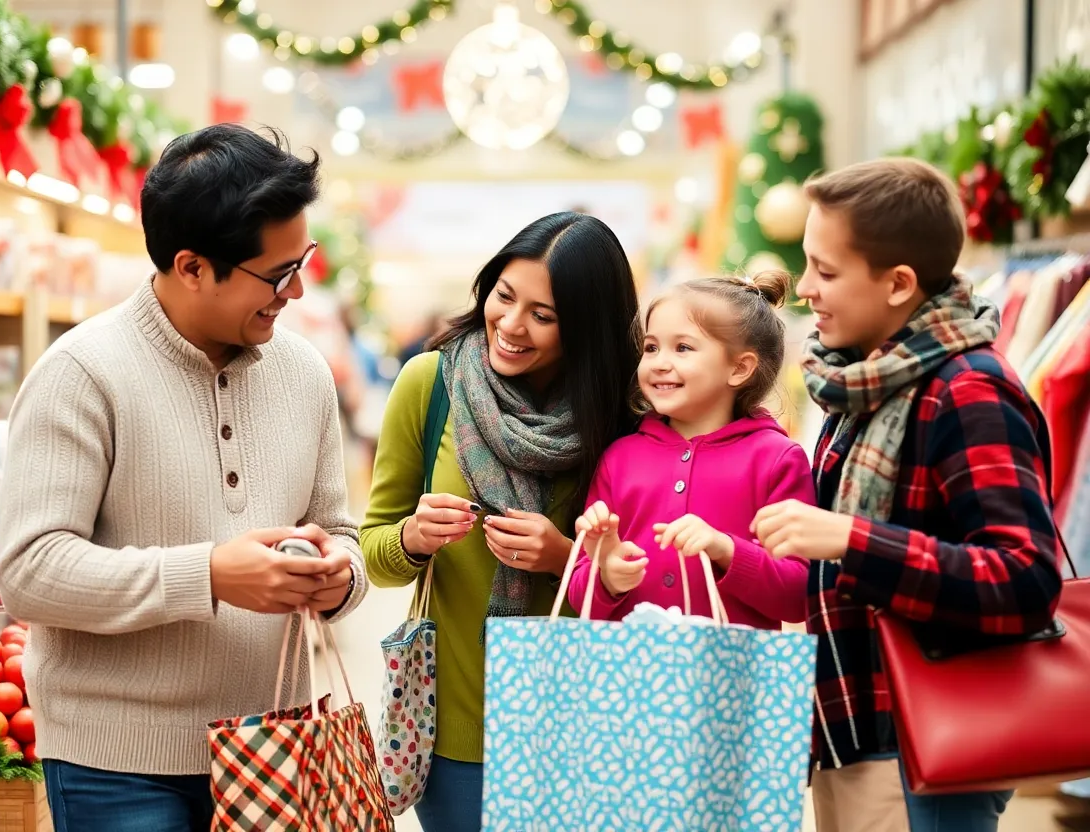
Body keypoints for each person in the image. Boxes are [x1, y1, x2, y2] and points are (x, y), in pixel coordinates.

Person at [0, 124, 368, 832]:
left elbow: (342, 532)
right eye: (275, 273)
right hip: (117, 763)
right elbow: (30, 571)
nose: (294, 290)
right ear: (192, 265)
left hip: (274, 748)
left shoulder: (305, 374)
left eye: (303, 261)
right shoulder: (82, 375)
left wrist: (338, 576)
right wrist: (210, 575)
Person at [750, 158, 1063, 832]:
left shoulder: (966, 389)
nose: (804, 287)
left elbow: (1024, 577)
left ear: (898, 284)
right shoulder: (868, 382)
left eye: (825, 271)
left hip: (928, 737)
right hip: (865, 731)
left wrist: (852, 540)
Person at [361, 212, 642, 831]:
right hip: (458, 731)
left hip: (585, 723)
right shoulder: (431, 384)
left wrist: (561, 555)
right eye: (504, 296)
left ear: (588, 327)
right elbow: (373, 551)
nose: (511, 325)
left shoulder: (623, 414)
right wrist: (412, 538)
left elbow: (645, 579)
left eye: (543, 315)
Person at [571, 271, 811, 627]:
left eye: (682, 347)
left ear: (739, 368)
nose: (659, 362)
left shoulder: (778, 460)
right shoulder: (619, 458)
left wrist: (725, 549)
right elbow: (581, 602)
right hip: (631, 677)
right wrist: (609, 573)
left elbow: (798, 598)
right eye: (651, 347)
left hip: (732, 678)